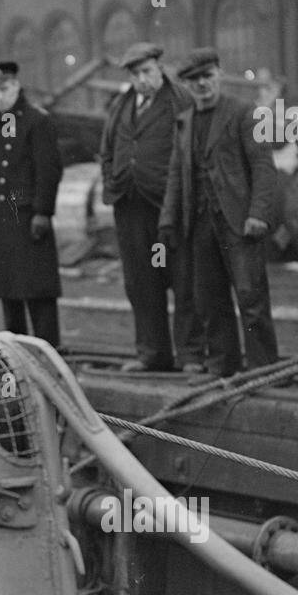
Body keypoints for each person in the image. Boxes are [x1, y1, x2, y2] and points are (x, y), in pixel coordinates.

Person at [159, 47, 279, 377]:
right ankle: (222, 366)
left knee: (250, 297)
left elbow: (263, 167)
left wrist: (258, 213)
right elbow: (175, 174)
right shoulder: (184, 122)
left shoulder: (245, 113)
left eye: (208, 77)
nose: (202, 85)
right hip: (199, 224)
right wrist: (168, 219)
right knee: (210, 300)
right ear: (186, 85)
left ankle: (262, 369)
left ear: (219, 75)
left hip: (239, 221)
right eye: (194, 80)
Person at [100, 42, 204, 373]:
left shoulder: (181, 102)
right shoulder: (121, 105)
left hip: (169, 210)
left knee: (183, 279)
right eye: (135, 73)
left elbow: (194, 153)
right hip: (131, 209)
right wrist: (111, 182)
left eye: (147, 71)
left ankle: (190, 355)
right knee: (141, 282)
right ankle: (152, 353)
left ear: (160, 67)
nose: (142, 79)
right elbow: (106, 150)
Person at [0, 61, 63, 347]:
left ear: (16, 86)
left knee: (37, 290)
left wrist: (42, 212)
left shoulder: (36, 120)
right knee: (8, 290)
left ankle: (49, 351)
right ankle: (20, 351)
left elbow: (48, 169)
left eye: (4, 88)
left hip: (26, 218)